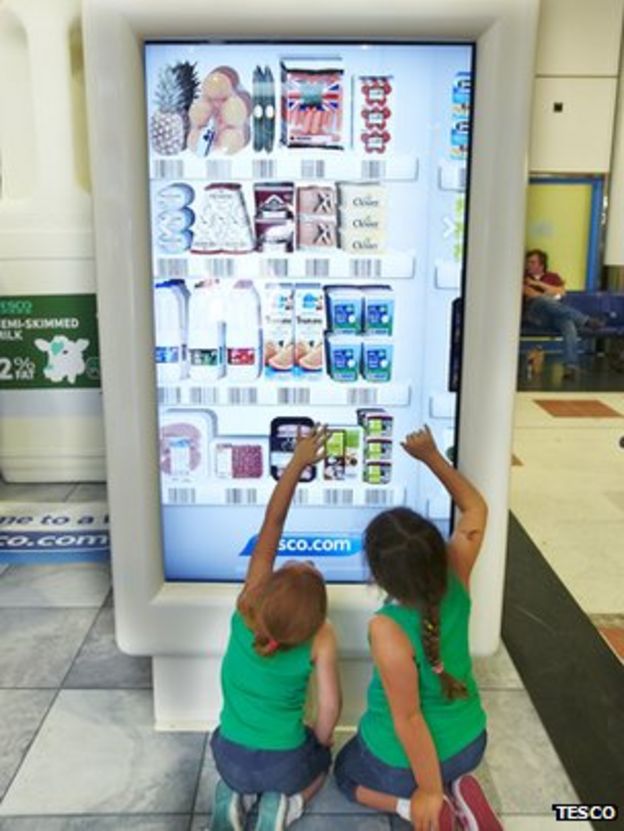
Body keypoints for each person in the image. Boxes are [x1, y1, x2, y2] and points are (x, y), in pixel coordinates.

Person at [334, 425, 501, 831]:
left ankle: (428, 804)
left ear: (378, 576)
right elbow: (476, 508)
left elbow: (408, 719)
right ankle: (458, 787)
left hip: (402, 768)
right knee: (434, 755)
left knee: (344, 773)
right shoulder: (457, 569)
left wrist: (426, 789)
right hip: (471, 742)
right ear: (434, 548)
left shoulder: (388, 629)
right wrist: (430, 457)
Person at [210, 424, 341, 831]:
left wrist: (296, 464)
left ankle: (234, 794)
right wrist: (320, 743)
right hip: (285, 764)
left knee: (240, 759)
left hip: (227, 756)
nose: (305, 561)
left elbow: (273, 522)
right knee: (323, 761)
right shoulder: (321, 637)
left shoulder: (248, 604)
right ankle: (288, 806)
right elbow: (330, 710)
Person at [522, 249, 601, 380]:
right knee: (543, 300)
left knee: (567, 324)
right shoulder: (523, 277)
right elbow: (531, 294)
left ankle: (571, 367)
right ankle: (585, 320)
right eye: (528, 262)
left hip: (554, 316)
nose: (528, 265)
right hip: (535, 315)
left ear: (541, 265)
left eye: (532, 262)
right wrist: (550, 293)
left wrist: (537, 284)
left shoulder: (553, 277)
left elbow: (562, 292)